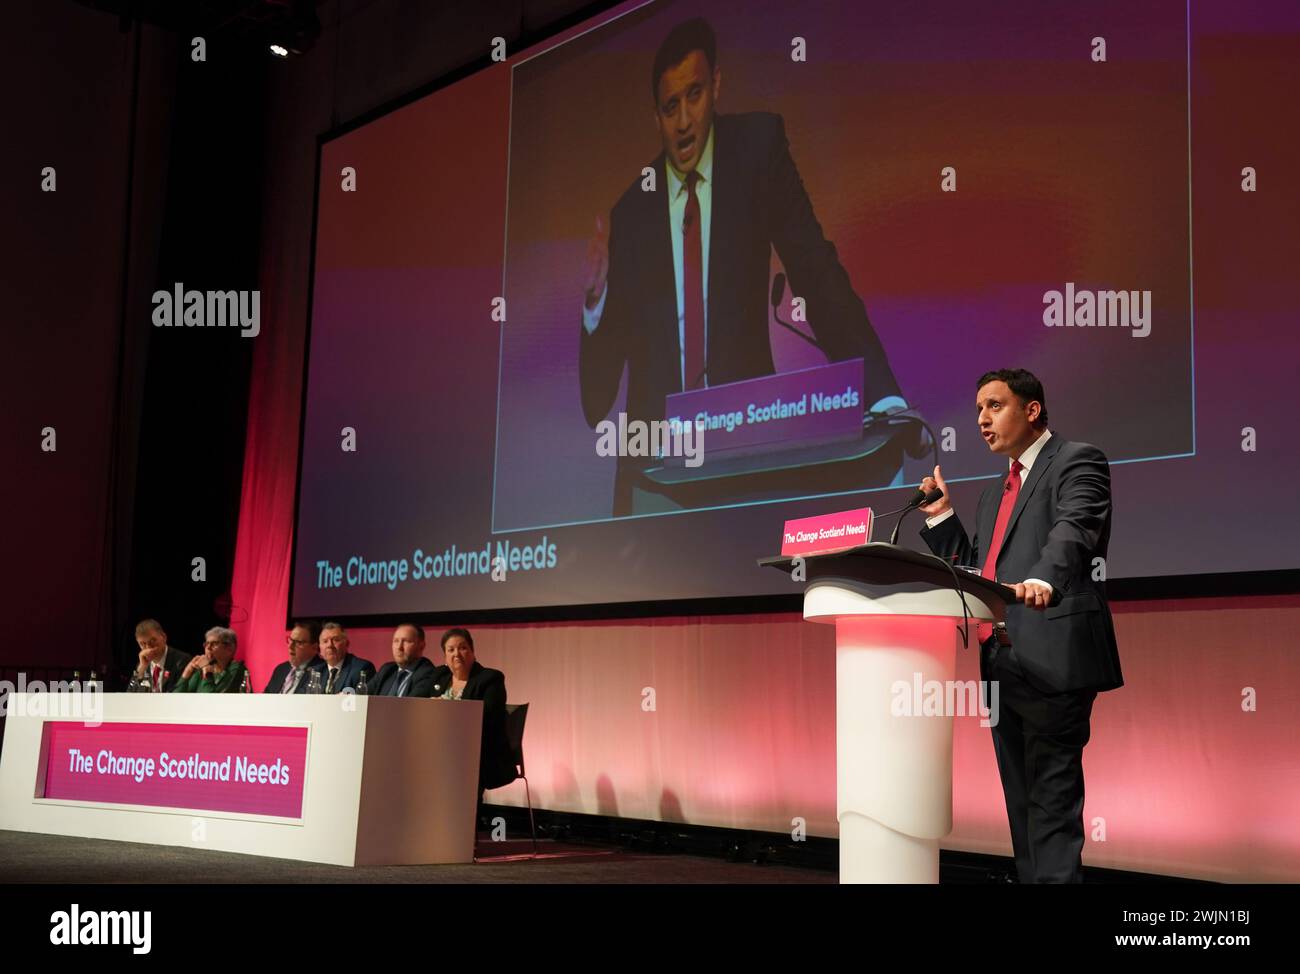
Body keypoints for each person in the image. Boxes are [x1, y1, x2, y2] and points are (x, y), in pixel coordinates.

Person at [580, 17, 916, 514]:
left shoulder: (757, 150)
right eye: (670, 107)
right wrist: (595, 303)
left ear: (717, 85)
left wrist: (883, 397)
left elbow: (816, 273)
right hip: (656, 481)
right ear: (656, 116)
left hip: (749, 449)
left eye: (694, 95)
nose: (684, 120)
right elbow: (596, 402)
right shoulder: (632, 212)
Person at [917, 368, 1123, 883]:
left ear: (1032, 410)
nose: (982, 420)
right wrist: (942, 515)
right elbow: (979, 568)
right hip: (1001, 661)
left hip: (1054, 657)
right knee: (1023, 810)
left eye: (994, 406)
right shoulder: (993, 494)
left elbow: (1074, 533)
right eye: (978, 411)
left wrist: (1043, 581)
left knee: (1051, 811)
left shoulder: (1077, 461)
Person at [431, 628, 517, 793]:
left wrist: (446, 710)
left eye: (462, 648)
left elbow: (488, 718)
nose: (456, 653)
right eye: (450, 650)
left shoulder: (490, 678)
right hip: (439, 750)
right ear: (445, 657)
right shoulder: (439, 676)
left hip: (476, 754)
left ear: (472, 652)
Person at [367, 624, 437, 697]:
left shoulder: (428, 673)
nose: (399, 647)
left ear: (421, 646)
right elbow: (362, 696)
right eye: (396, 641)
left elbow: (411, 706)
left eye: (406, 641)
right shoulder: (387, 670)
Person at [172, 627, 248, 693]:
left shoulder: (236, 669)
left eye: (214, 644)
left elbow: (211, 701)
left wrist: (207, 672)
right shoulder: (200, 671)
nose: (208, 647)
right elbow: (175, 700)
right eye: (207, 643)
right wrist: (187, 672)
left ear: (229, 649)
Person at [264, 620, 329, 693]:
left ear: (314, 647)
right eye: (290, 640)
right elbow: (265, 699)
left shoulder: (323, 671)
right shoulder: (281, 670)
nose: (290, 646)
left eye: (298, 642)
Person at [128, 619, 192, 693]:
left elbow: (179, 694)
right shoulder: (142, 665)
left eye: (152, 641)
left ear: (164, 637)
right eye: (142, 644)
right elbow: (130, 694)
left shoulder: (182, 661)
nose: (148, 647)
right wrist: (141, 671)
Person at [317, 621, 376, 694]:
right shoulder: (316, 671)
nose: (330, 645)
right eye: (325, 641)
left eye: (336, 640)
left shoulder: (361, 669)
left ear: (347, 644)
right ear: (319, 647)